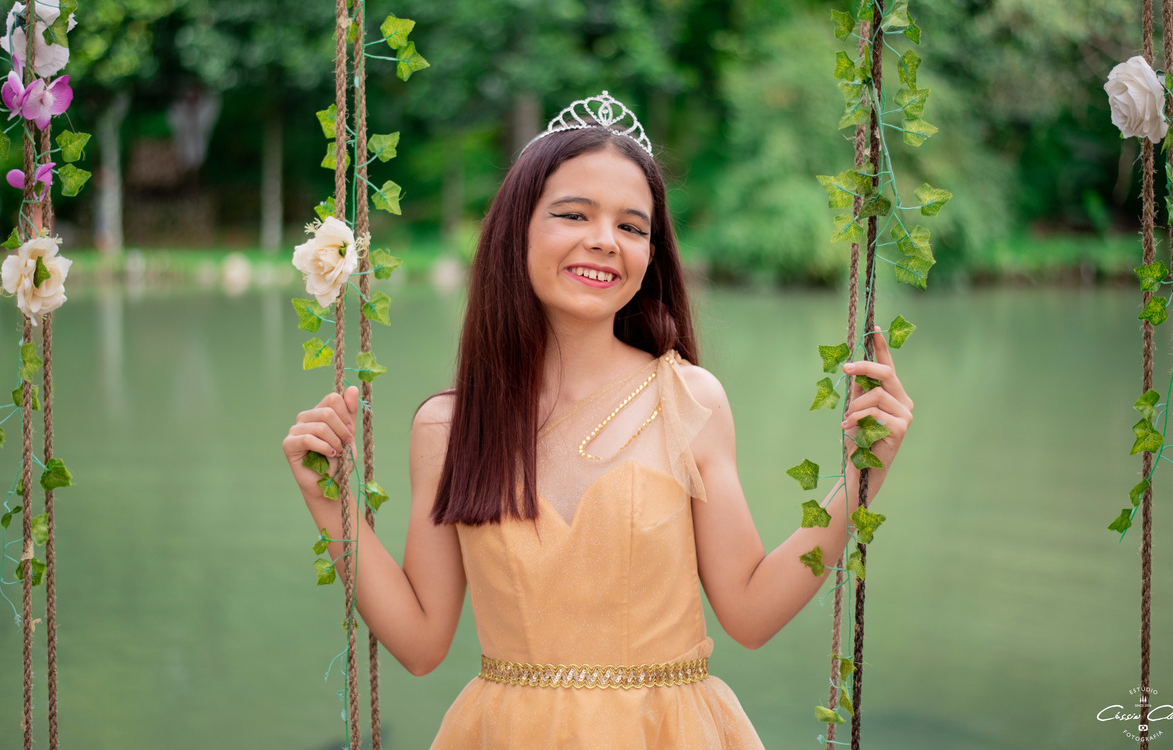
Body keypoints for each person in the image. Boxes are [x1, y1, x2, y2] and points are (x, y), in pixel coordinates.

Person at [282, 91, 914, 748]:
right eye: (574, 214)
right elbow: (419, 641)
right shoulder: (450, 426)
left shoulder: (690, 399)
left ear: (650, 256)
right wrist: (333, 505)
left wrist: (859, 479)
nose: (605, 241)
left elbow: (751, 612)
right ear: (517, 229)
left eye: (632, 226)